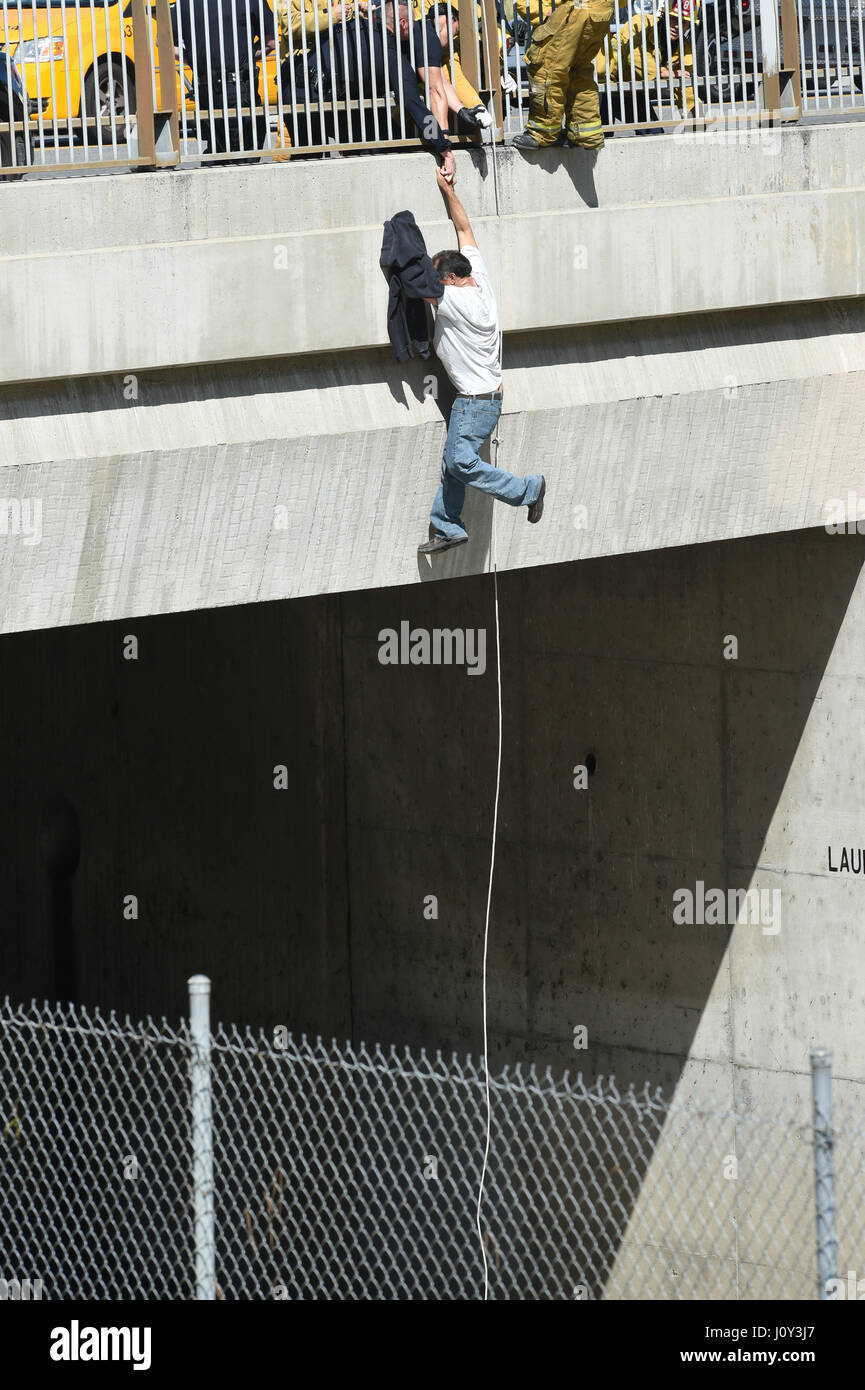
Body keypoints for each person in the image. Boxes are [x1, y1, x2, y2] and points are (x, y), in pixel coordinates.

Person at [418, 167, 545, 556]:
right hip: (477, 399)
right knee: (452, 462)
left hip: (476, 402)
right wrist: (448, 190)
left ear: (452, 280)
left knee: (460, 462)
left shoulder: (457, 300)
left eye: (440, 282)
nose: (436, 289)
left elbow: (420, 285)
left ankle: (526, 490)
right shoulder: (478, 279)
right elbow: (466, 231)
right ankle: (448, 526)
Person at [282, 0, 456, 170]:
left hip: (298, 90)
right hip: (311, 99)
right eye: (411, 24)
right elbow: (414, 104)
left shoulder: (356, 28)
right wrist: (442, 145)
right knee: (312, 163)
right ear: (403, 24)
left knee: (377, 136)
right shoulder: (389, 50)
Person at [172, 0, 276, 162]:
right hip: (238, 88)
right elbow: (271, 41)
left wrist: (195, 60)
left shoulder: (185, 3)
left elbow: (163, 42)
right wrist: (245, 58)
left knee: (217, 151)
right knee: (245, 154)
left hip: (205, 89)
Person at [511, 0, 614, 150]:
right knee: (578, 70)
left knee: (547, 69)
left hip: (577, 9)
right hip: (601, 10)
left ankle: (542, 133)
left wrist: (548, 15)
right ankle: (584, 134)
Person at [597, 0, 700, 131]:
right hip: (605, 89)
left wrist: (698, 124)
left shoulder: (683, 49)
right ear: (664, 15)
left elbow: (687, 91)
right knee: (600, 138)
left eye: (683, 22)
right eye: (673, 19)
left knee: (655, 134)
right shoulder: (641, 23)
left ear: (689, 25)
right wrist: (666, 73)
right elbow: (634, 58)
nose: (677, 26)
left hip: (632, 94)